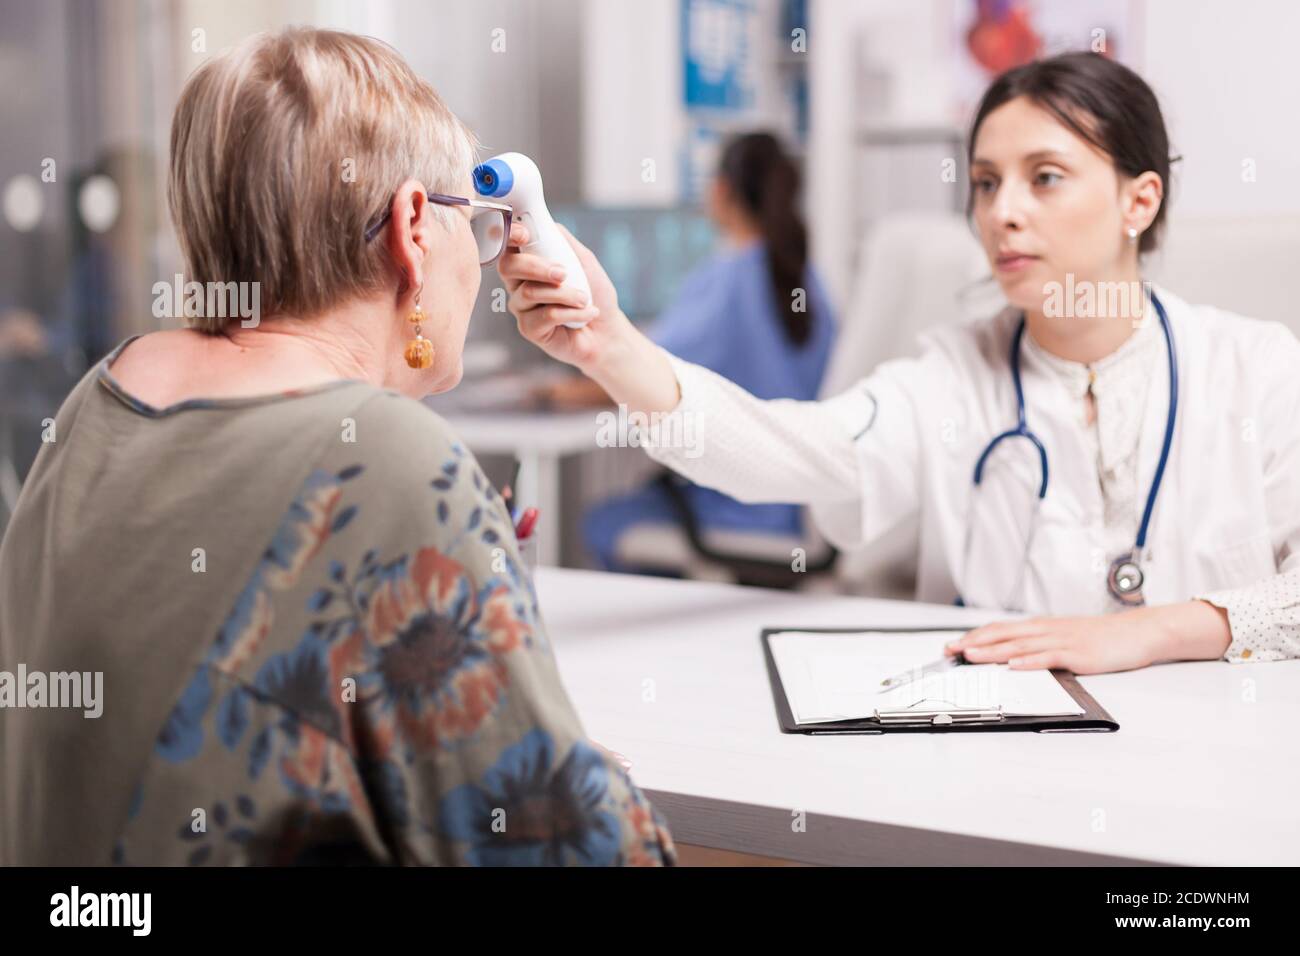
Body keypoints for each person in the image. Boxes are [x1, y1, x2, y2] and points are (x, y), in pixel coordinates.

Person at [0, 28, 674, 867]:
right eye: (481, 226)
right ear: (415, 227)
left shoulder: (100, 398)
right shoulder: (390, 463)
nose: (487, 257)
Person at [499, 51, 1300, 674]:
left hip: (1216, 746)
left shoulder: (1256, 370)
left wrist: (1150, 633)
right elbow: (790, 452)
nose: (1001, 212)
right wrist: (608, 345)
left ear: (1140, 201)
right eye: (985, 183)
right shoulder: (952, 377)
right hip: (1006, 755)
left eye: (1044, 177)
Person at [571, 132, 836, 573]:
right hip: (793, 507)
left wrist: (552, 394)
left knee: (602, 521)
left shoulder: (726, 281)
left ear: (721, 191)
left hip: (734, 506)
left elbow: (635, 369)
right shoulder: (811, 283)